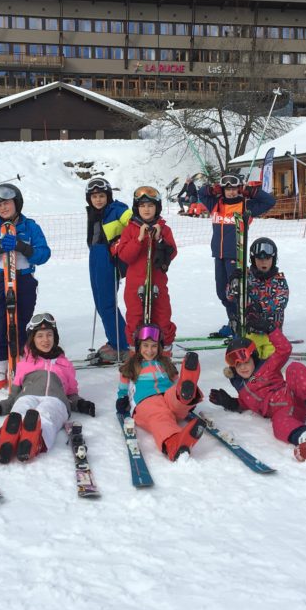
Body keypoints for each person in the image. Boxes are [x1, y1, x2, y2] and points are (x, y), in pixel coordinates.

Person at [208, 314, 306, 462]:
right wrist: (228, 402)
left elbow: (284, 349)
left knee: (294, 368)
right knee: (278, 427)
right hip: (283, 413)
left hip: (292, 396)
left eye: (246, 362)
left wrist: (271, 329)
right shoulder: (243, 391)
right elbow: (243, 404)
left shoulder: (267, 367)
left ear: (254, 358)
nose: (243, 367)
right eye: (238, 365)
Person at [0, 313, 95, 463]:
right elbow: (13, 397)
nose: (45, 340)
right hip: (28, 395)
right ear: (32, 339)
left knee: (45, 414)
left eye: (49, 335)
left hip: (56, 400)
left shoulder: (65, 365)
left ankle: (36, 440)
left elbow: (71, 394)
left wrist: (81, 404)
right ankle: (7, 440)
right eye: (40, 336)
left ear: (55, 337)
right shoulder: (24, 364)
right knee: (20, 409)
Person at [0, 183, 51, 390]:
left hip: (23, 279)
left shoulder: (30, 227)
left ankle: (22, 361)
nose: (3, 208)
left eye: (7, 203)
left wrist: (23, 247)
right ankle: (0, 364)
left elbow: (44, 253)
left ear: (17, 203)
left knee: (21, 321)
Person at [197, 171, 277, 337]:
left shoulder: (246, 206)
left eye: (234, 188)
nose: (231, 192)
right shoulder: (215, 204)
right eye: (227, 189)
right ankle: (233, 322)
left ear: (239, 189)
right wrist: (212, 189)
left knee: (236, 293)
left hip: (235, 256)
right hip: (218, 256)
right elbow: (201, 193)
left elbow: (270, 201)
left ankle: (241, 325)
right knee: (222, 293)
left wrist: (252, 192)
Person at [114, 323, 205, 461]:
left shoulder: (165, 364)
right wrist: (122, 398)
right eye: (145, 345)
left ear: (159, 347)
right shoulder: (131, 366)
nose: (149, 350)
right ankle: (173, 443)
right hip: (146, 401)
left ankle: (186, 397)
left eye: (154, 346)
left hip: (168, 397)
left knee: (175, 393)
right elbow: (123, 386)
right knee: (159, 417)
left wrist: (183, 398)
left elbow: (176, 382)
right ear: (138, 346)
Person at [114, 186, 178, 355]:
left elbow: (172, 253)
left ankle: (164, 352)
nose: (146, 209)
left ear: (157, 207)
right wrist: (139, 239)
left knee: (162, 315)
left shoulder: (164, 229)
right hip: (135, 284)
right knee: (135, 317)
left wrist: (159, 240)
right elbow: (125, 256)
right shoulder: (130, 229)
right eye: (142, 206)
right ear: (137, 208)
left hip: (158, 283)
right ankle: (135, 353)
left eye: (150, 205)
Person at [84, 178, 130, 363]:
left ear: (108, 196)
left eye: (102, 196)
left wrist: (122, 242)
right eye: (94, 196)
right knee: (99, 303)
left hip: (108, 257)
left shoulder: (117, 209)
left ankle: (122, 345)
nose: (98, 200)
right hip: (95, 256)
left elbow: (133, 220)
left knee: (107, 303)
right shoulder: (94, 213)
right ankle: (114, 340)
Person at [226, 237, 289, 359]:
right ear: (253, 259)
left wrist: (260, 307)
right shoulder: (246, 276)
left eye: (267, 259)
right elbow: (230, 296)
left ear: (274, 259)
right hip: (250, 333)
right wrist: (233, 281)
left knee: (270, 364)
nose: (263, 262)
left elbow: (281, 301)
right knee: (250, 363)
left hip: (271, 333)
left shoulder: (279, 280)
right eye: (259, 259)